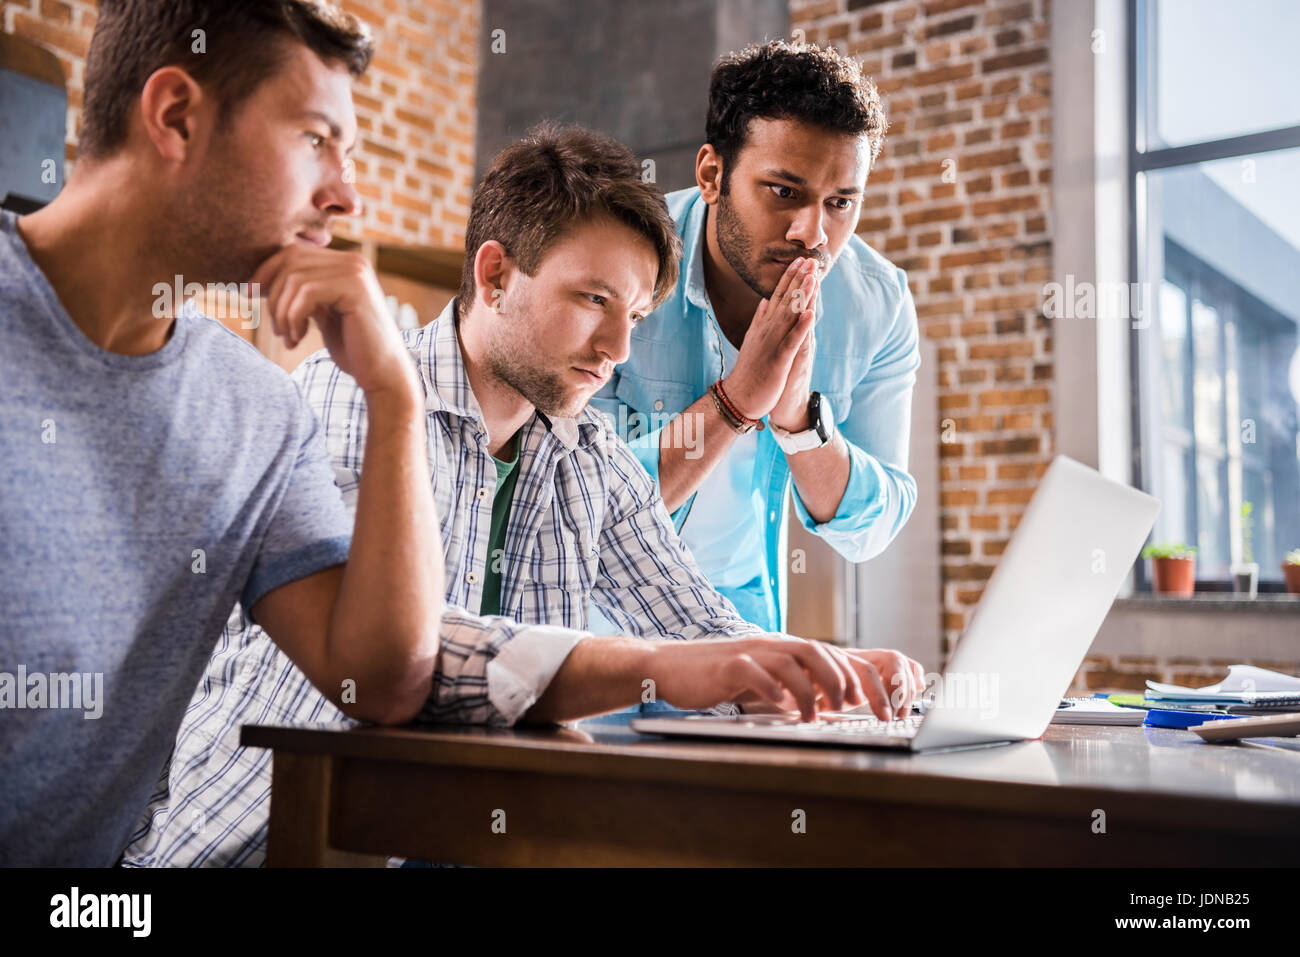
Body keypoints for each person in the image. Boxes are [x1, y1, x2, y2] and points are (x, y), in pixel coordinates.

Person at [123, 124, 926, 867]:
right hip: (261, 844)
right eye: (593, 300)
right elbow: (390, 649)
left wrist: (834, 679)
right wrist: (665, 668)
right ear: (495, 274)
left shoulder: (589, 458)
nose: (617, 348)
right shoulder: (352, 391)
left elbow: (702, 630)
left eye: (635, 314)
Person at [0, 0, 445, 866]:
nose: (345, 195)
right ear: (176, 116)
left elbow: (380, 681)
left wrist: (397, 399)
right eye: (316, 139)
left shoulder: (261, 415)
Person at [591, 40, 922, 632]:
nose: (812, 234)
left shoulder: (877, 304)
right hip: (597, 620)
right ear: (712, 174)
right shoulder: (617, 262)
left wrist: (799, 423)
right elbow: (578, 502)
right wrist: (738, 399)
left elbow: (873, 527)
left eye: (840, 202)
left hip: (737, 628)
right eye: (784, 191)